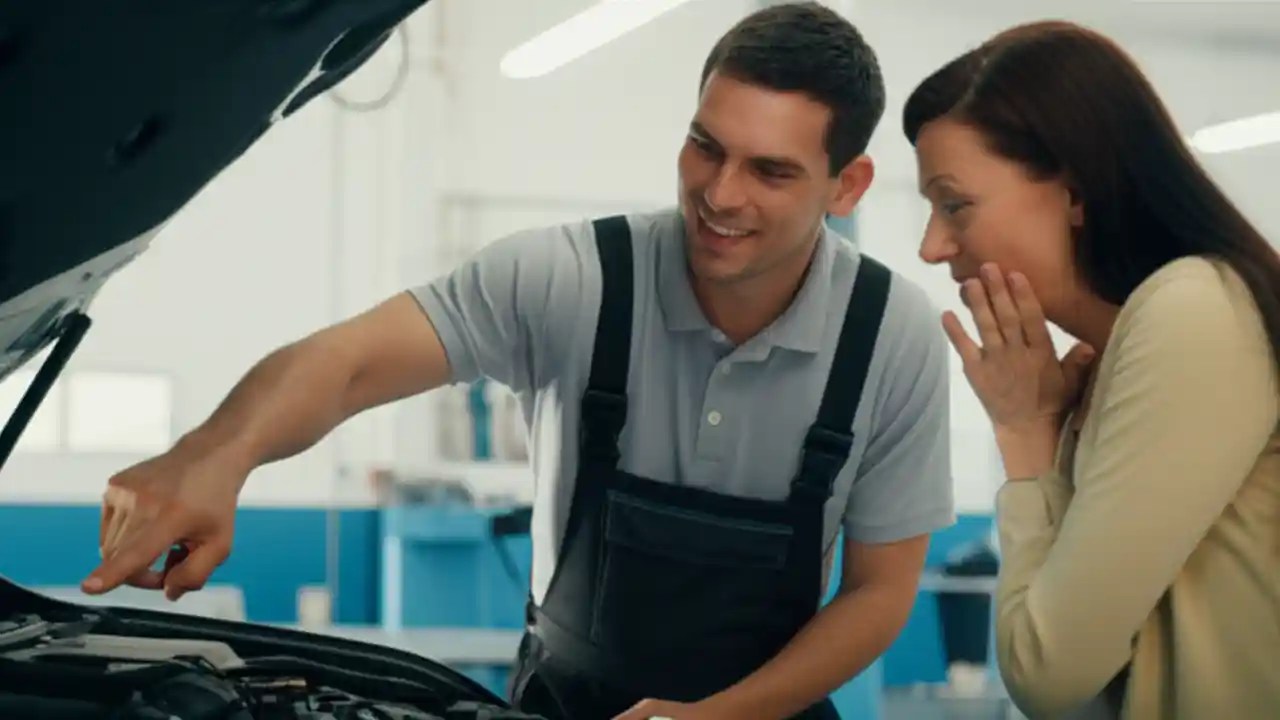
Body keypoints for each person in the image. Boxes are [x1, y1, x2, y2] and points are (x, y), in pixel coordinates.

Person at [82, 3, 955, 719]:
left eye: (770, 171)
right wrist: (217, 453)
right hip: (560, 705)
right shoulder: (572, 279)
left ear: (847, 186)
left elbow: (878, 593)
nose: (720, 195)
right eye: (705, 147)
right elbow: (347, 361)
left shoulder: (891, 335)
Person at [904, 19, 1280, 720]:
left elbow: (1048, 674)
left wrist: (1025, 438)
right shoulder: (1119, 351)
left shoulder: (1195, 311)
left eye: (955, 204)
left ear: (1075, 192)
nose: (932, 246)